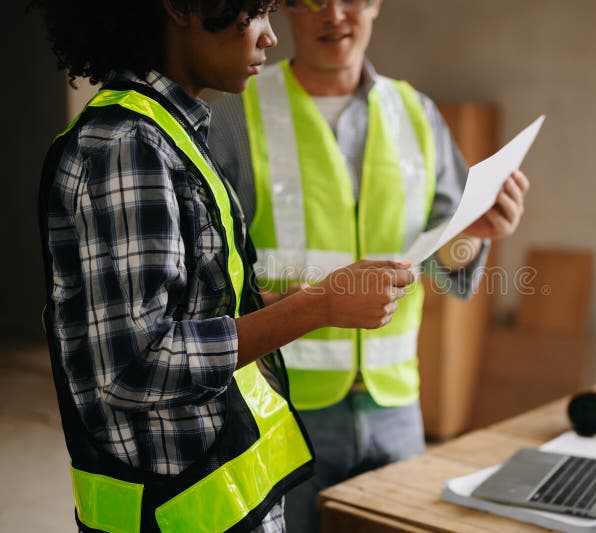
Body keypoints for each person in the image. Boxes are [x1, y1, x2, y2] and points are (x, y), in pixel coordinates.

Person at [33, 1, 414, 531]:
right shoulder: (128, 146)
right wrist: (316, 307)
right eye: (255, 12)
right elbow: (135, 366)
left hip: (212, 494)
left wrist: (287, 301)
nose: (270, 38)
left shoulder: (168, 131)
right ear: (186, 7)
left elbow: (188, 307)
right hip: (170, 510)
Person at [208, 0, 530, 530]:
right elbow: (212, 277)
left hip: (396, 407)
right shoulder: (237, 116)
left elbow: (450, 265)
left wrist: (476, 234)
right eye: (312, 0)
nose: (333, 15)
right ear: (285, 8)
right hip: (281, 403)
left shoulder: (416, 114)